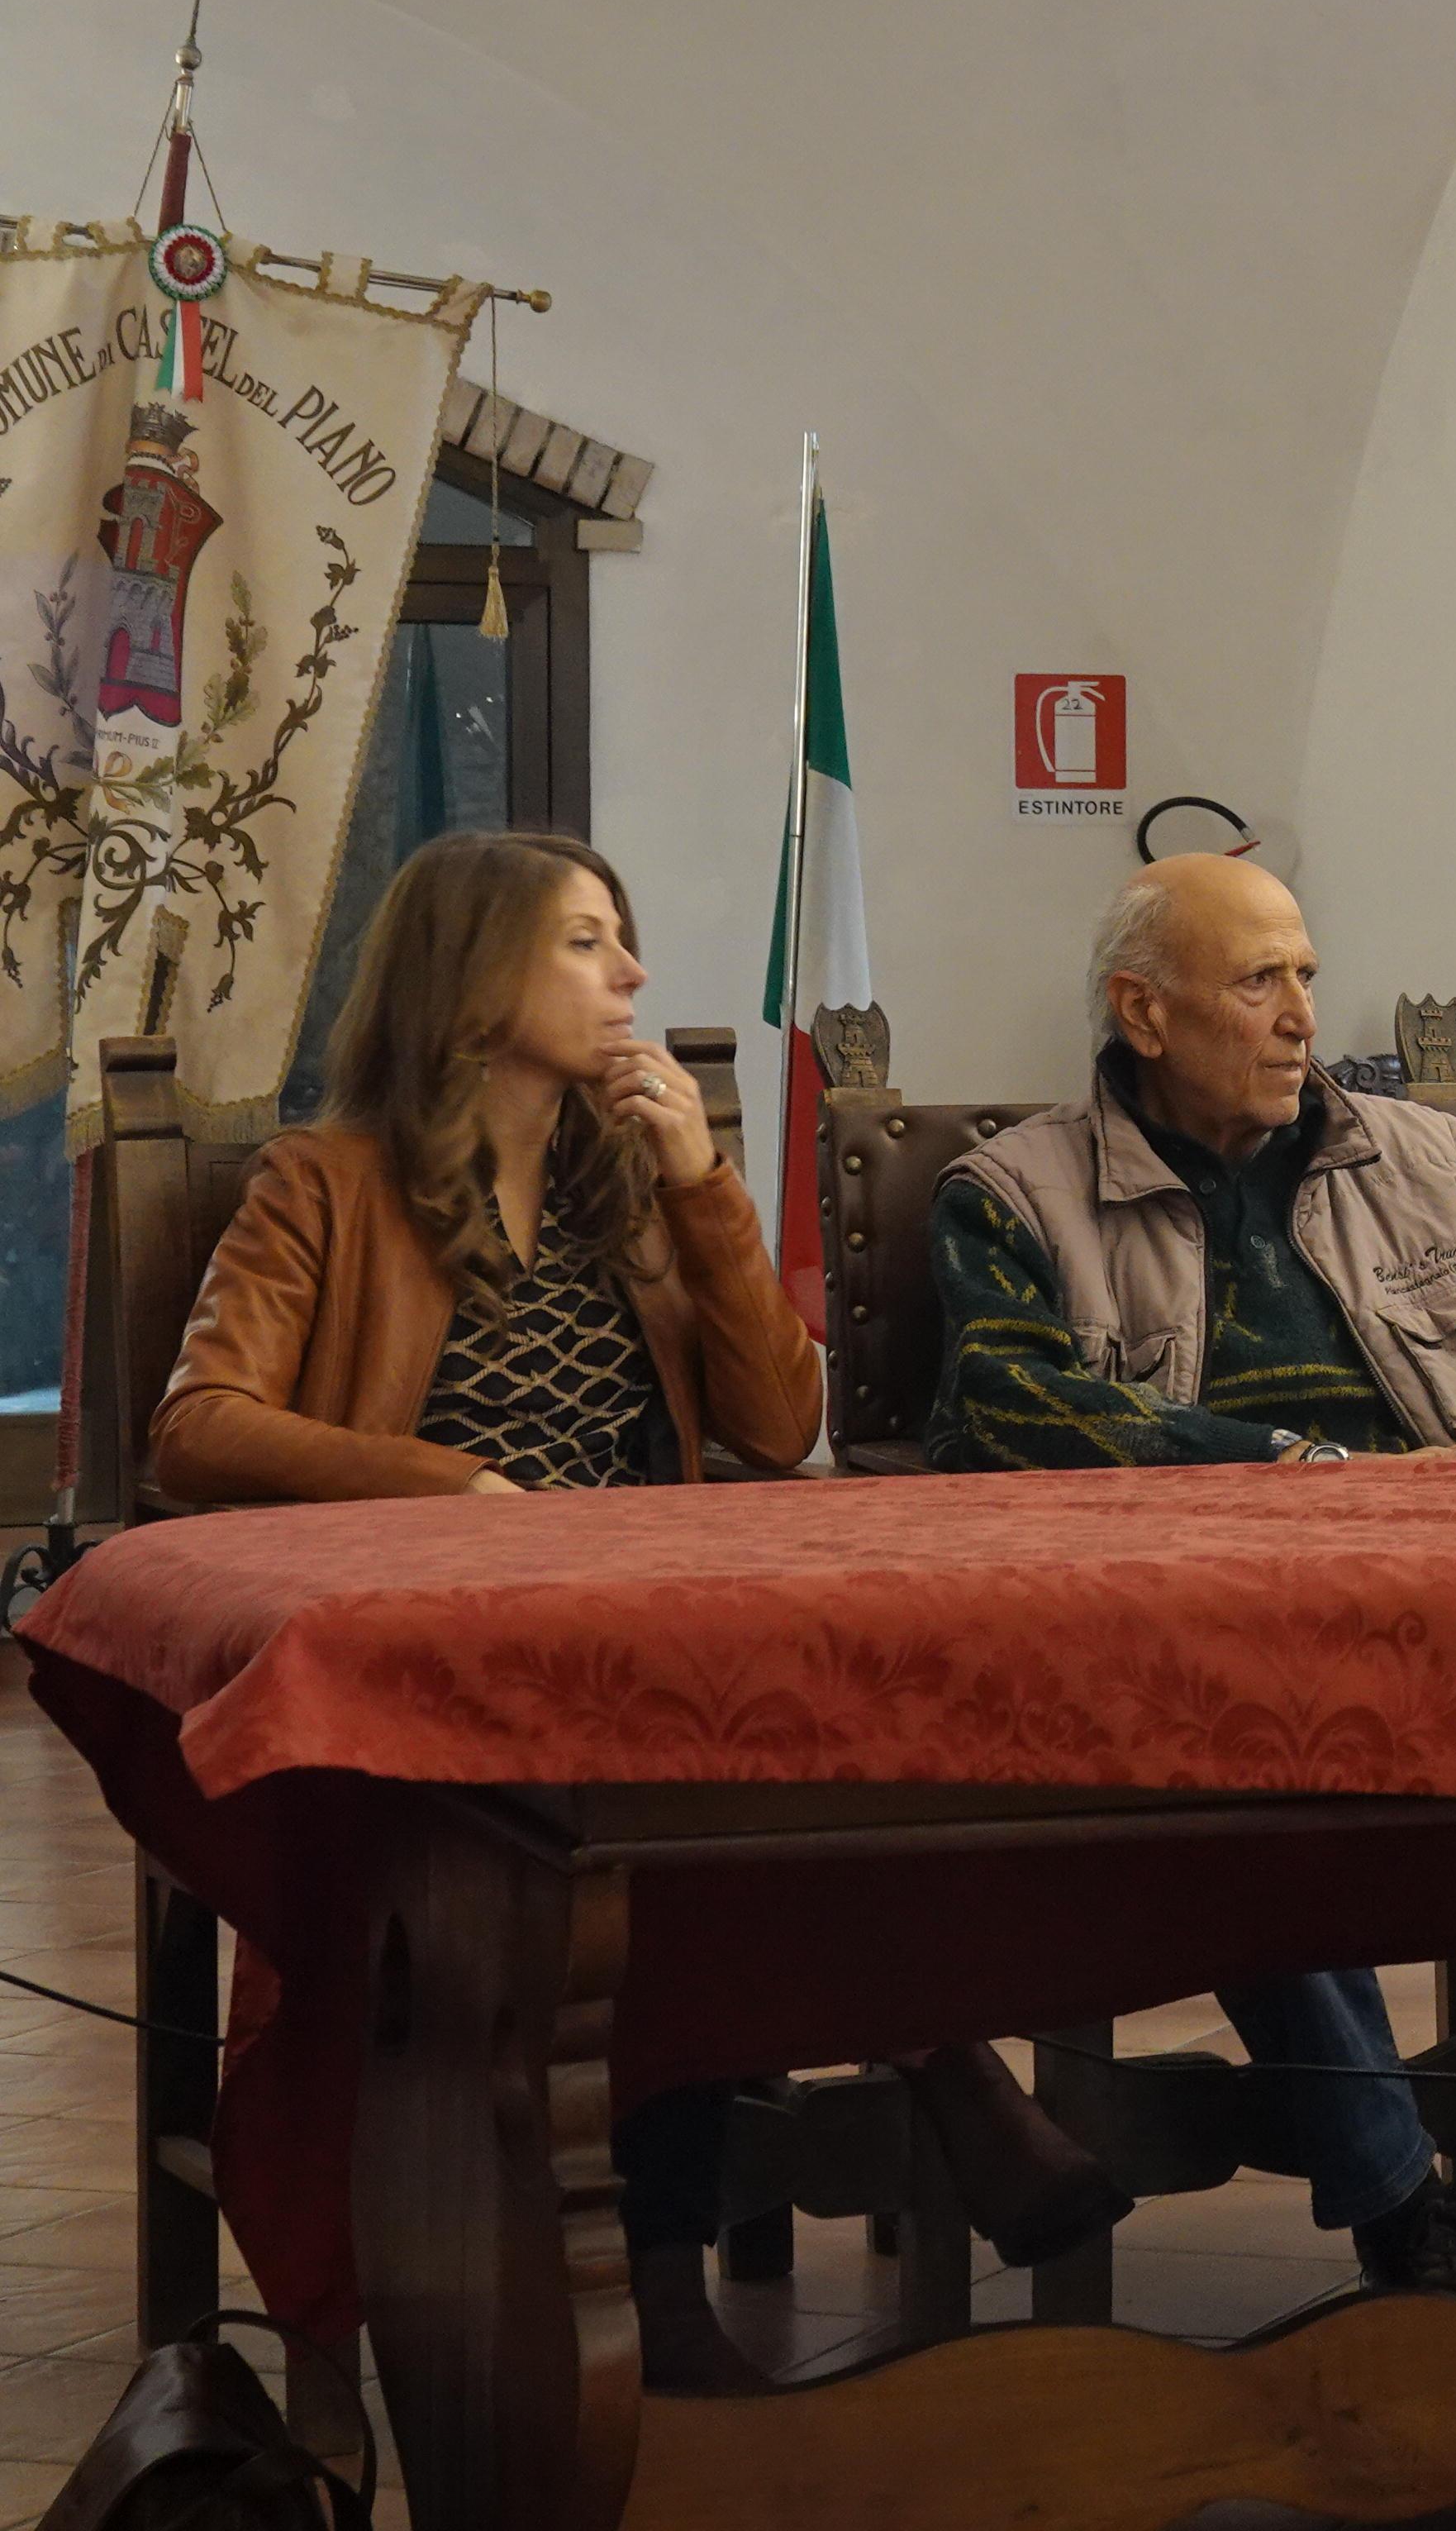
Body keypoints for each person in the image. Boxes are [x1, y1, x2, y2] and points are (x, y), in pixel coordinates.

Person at [150, 830, 1121, 2392]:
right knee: (670, 1843)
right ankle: (822, 2158)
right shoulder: (325, 1183)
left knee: (788, 1780)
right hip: (448, 1671)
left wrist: (703, 1184)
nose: (634, 975)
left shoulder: (624, 1188)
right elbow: (198, 1427)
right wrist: (448, 1487)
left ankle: (694, 2255)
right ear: (474, 978)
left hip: (636, 1644)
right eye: (588, 942)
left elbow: (777, 1426)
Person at [925, 852, 1456, 2293]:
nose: (1304, 1015)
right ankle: (1399, 2206)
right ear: (1143, 1011)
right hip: (1218, 1640)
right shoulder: (1015, 1194)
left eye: (1307, 975)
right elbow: (1002, 1409)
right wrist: (1297, 1471)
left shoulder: (1413, 1160)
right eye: (1259, 981)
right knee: (1223, 1767)